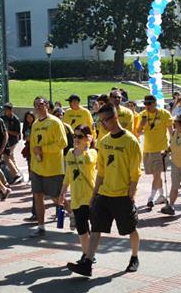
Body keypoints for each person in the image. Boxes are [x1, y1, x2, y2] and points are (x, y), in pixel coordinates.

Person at [66, 103, 141, 276]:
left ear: (114, 118)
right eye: (99, 121)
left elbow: (135, 172)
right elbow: (101, 171)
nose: (102, 125)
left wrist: (131, 194)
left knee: (130, 229)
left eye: (104, 121)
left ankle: (134, 257)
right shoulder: (104, 141)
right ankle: (87, 262)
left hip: (122, 194)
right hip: (104, 193)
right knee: (96, 229)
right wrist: (94, 195)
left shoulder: (131, 141)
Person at [58, 125, 98, 263]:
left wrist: (86, 147)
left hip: (90, 196)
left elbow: (88, 161)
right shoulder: (70, 153)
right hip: (76, 197)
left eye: (80, 136)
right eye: (74, 136)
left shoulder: (92, 153)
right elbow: (68, 175)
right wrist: (62, 192)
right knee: (81, 228)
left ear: (87, 138)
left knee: (93, 228)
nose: (76, 139)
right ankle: (86, 254)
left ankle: (90, 254)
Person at [29, 97, 67, 236]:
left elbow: (62, 143)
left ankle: (72, 214)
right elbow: (33, 146)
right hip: (37, 168)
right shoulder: (35, 124)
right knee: (38, 196)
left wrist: (43, 150)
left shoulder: (55, 122)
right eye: (36, 105)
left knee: (56, 197)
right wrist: (34, 162)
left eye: (41, 104)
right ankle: (41, 227)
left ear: (46, 105)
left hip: (53, 168)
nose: (38, 107)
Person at [137, 95, 170, 208]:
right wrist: (142, 124)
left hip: (160, 149)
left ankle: (151, 198)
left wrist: (170, 146)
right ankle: (162, 195)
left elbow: (171, 130)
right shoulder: (142, 115)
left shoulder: (164, 113)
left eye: (149, 104)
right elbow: (138, 132)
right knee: (155, 175)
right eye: (145, 104)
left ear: (155, 103)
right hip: (147, 149)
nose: (147, 106)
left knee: (157, 174)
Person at [1, 103, 23, 184]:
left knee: (6, 157)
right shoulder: (2, 118)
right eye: (4, 110)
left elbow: (17, 133)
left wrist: (7, 131)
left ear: (11, 110)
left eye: (6, 110)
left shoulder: (15, 119)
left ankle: (16, 174)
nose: (4, 111)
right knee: (11, 158)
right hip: (6, 141)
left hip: (13, 141)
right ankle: (19, 175)